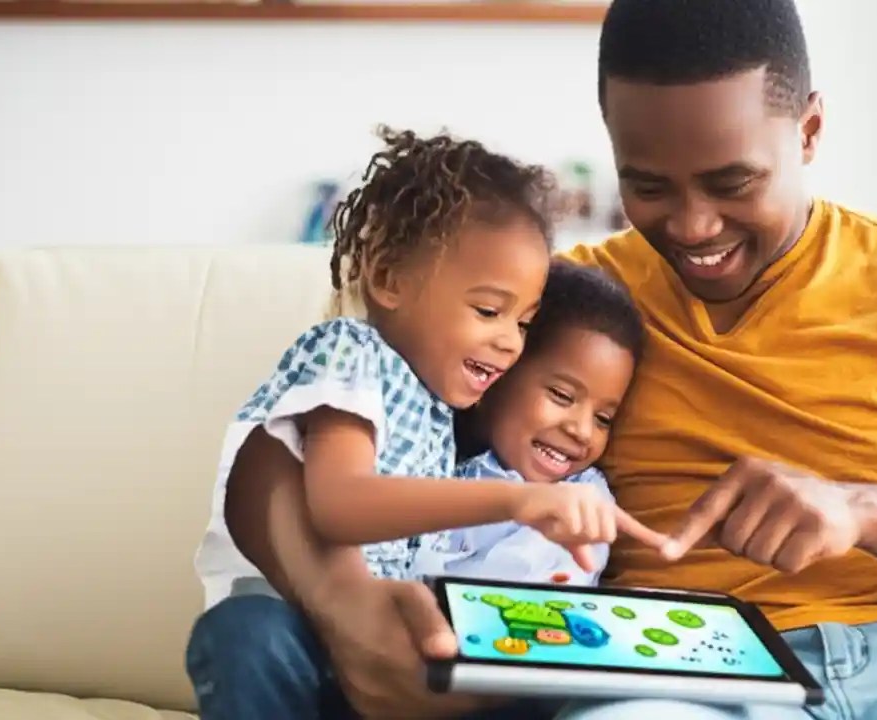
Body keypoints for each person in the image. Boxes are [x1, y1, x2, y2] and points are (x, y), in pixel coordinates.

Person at [205, 2, 877, 719]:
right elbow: (296, 445)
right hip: (676, 681)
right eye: (648, 185)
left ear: (810, 130)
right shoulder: (562, 311)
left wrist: (863, 509)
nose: (691, 227)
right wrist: (341, 604)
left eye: (732, 181)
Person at [185, 127, 662, 720]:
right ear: (389, 279)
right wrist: (517, 502)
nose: (509, 342)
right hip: (296, 624)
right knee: (247, 633)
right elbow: (338, 503)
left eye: (522, 323)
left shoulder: (444, 411)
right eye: (489, 310)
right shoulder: (351, 354)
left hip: (379, 648)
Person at [442, 260, 645, 587]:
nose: (582, 431)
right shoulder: (427, 444)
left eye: (603, 419)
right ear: (497, 370)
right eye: (562, 396)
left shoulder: (581, 502)